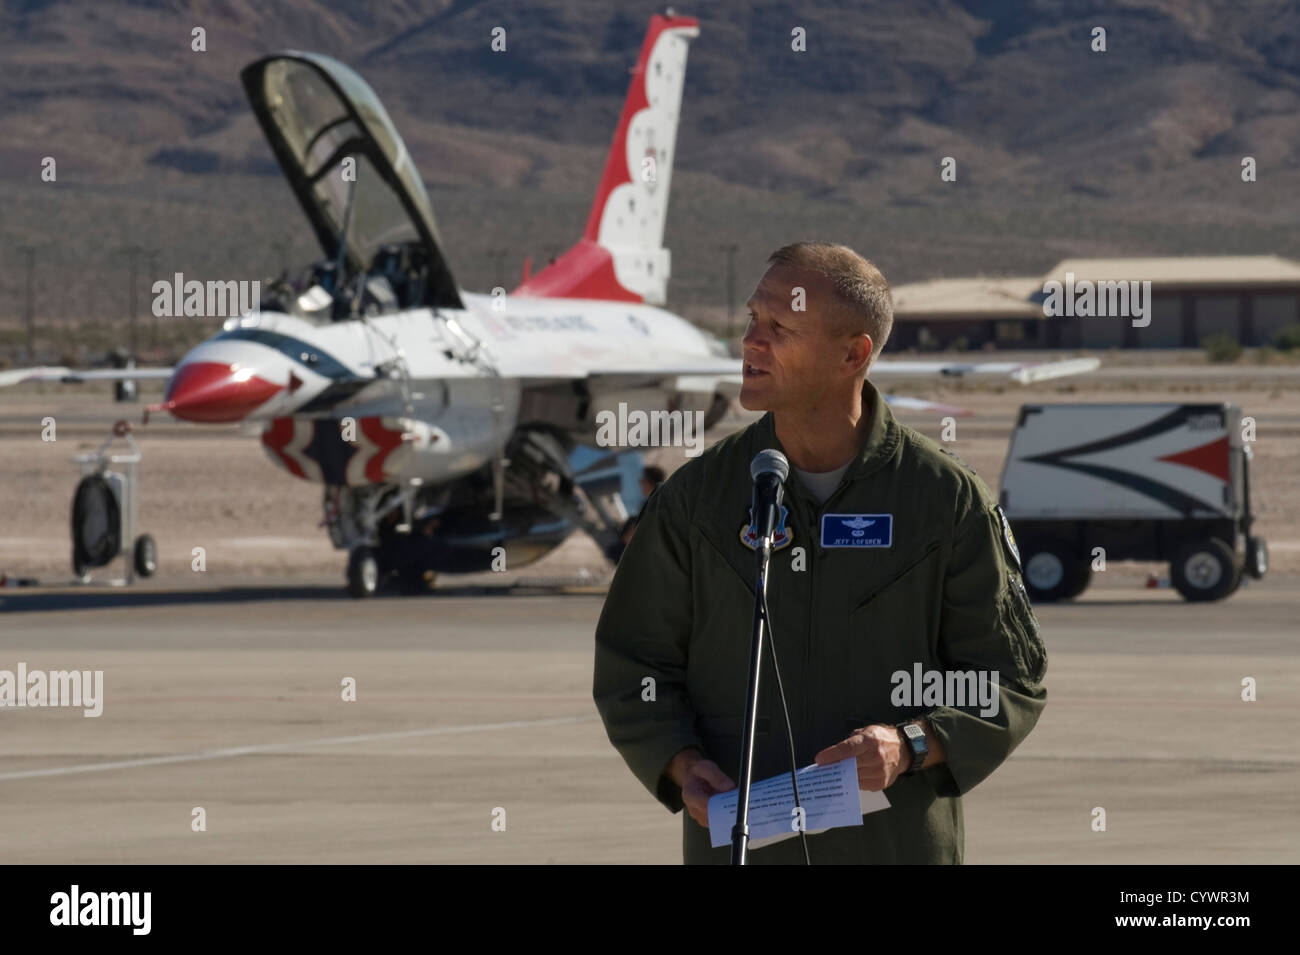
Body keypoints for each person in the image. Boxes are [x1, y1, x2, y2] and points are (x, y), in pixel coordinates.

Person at [592, 242, 1048, 863]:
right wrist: (679, 762)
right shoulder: (696, 500)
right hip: (744, 848)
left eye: (781, 327)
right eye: (753, 319)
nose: (752, 342)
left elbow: (1007, 679)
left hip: (892, 847)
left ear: (852, 353)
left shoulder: (944, 501)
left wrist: (911, 743)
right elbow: (634, 665)